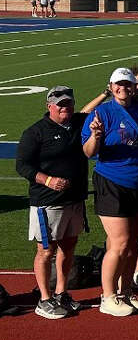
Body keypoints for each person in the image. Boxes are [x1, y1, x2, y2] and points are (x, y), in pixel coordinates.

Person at [81, 68, 138, 316]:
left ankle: (125, 291)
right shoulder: (102, 112)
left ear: (134, 86)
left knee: (133, 243)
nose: (123, 88)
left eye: (128, 84)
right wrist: (95, 136)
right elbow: (89, 152)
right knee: (120, 242)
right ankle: (108, 296)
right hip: (113, 182)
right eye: (119, 84)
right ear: (111, 86)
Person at [16, 86, 89, 319]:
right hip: (48, 202)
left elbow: (91, 110)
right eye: (60, 104)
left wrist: (106, 94)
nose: (64, 107)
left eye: (68, 103)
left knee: (69, 247)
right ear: (49, 107)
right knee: (46, 250)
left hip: (74, 199)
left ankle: (61, 292)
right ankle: (44, 299)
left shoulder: (76, 124)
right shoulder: (35, 132)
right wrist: (47, 180)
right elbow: (23, 166)